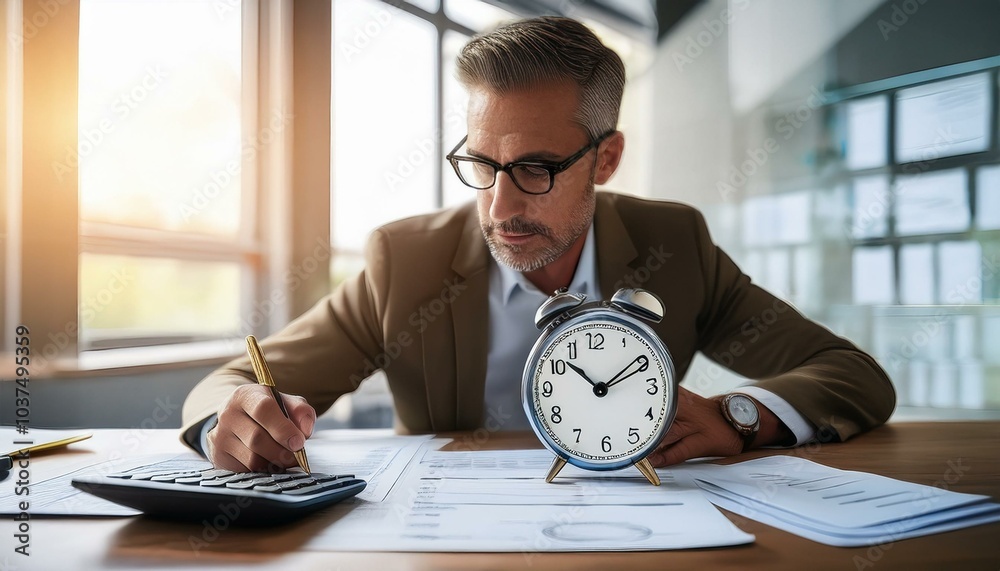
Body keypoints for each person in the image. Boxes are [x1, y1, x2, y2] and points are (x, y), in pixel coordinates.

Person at [181, 16, 895, 473]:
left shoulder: (674, 244)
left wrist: (740, 417)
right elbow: (228, 387)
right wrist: (233, 420)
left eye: (535, 168)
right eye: (481, 165)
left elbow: (852, 374)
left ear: (606, 159)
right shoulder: (406, 261)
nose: (499, 205)